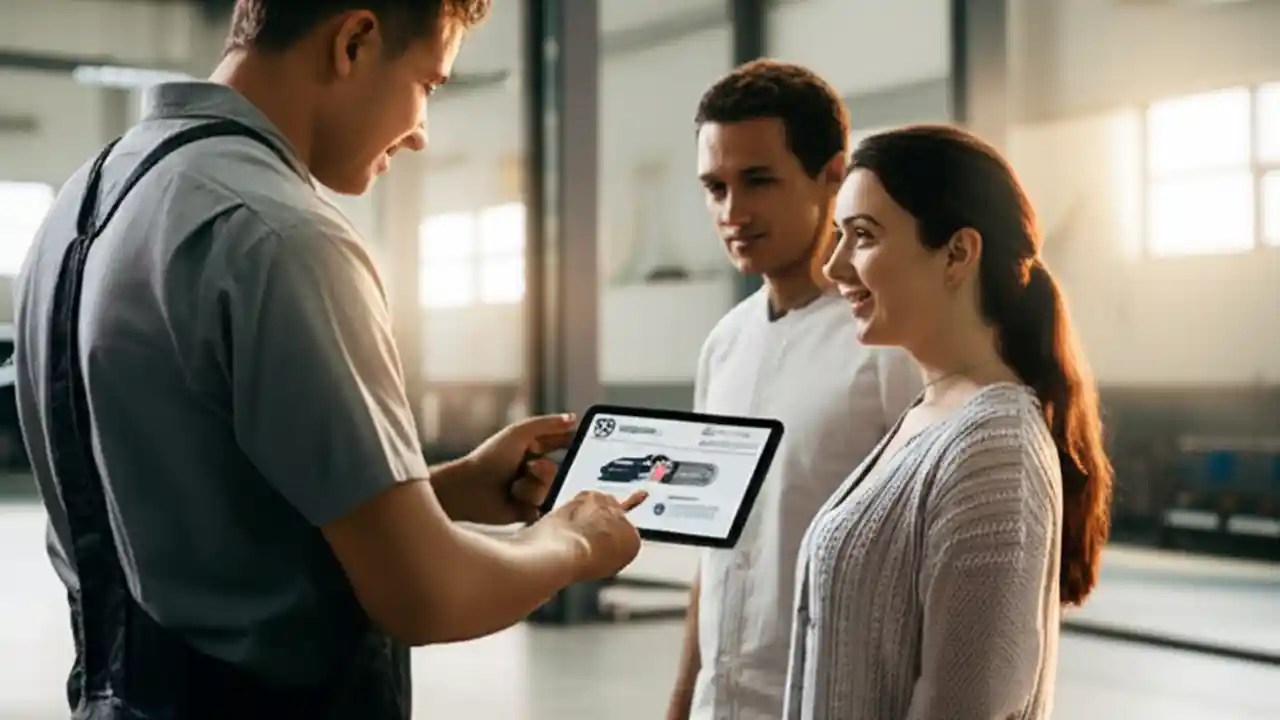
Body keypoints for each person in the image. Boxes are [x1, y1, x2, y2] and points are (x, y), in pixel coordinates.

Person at [13, 2, 645, 717]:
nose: (421, 132)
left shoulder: (87, 200)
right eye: (427, 84)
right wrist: (572, 542)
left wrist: (451, 489)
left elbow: (199, 521)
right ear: (355, 41)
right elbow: (426, 595)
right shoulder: (281, 235)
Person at [784, 125, 1113, 719]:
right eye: (839, 236)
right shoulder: (932, 412)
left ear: (958, 254)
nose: (833, 266)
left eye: (863, 236)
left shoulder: (994, 449)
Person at [666, 60, 921, 720]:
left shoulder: (891, 346)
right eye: (715, 187)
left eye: (758, 181)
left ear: (833, 175)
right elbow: (714, 558)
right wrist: (680, 706)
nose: (733, 212)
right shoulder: (723, 345)